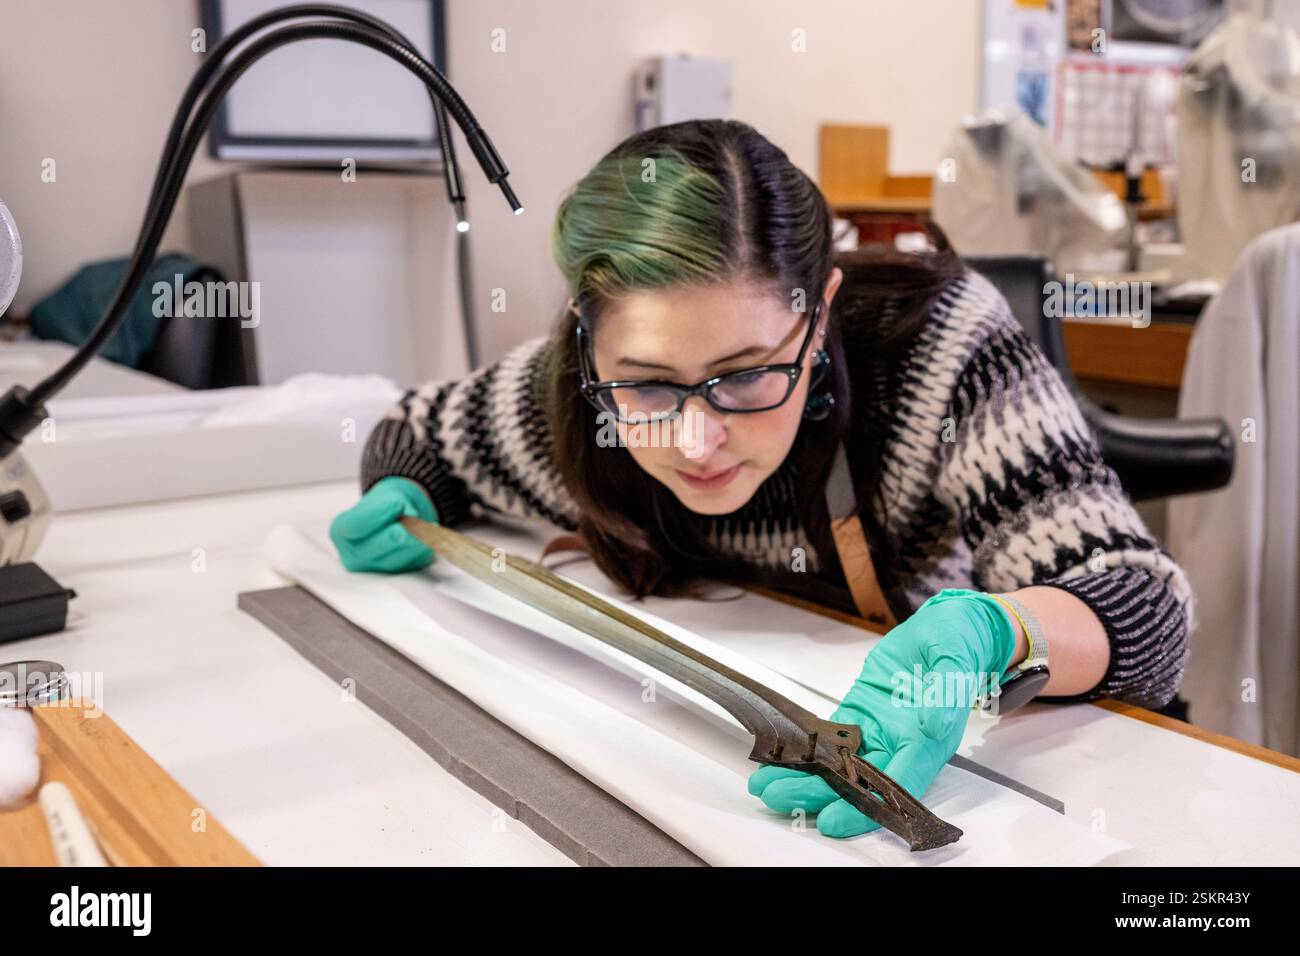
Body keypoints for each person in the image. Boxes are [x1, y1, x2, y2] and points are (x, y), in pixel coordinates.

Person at [330, 119, 1192, 838]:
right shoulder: (574, 395)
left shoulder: (940, 349)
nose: (698, 438)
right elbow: (415, 428)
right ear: (588, 343)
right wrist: (405, 486)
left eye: (747, 375)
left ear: (819, 316)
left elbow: (1146, 604)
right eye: (650, 383)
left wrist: (999, 632)